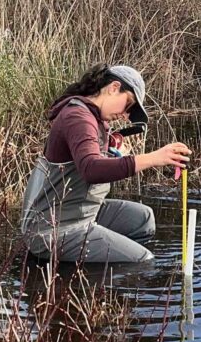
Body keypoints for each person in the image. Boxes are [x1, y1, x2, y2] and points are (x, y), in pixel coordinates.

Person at [19, 64, 191, 265]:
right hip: (54, 229)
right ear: (113, 87)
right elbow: (91, 169)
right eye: (128, 105)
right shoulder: (78, 117)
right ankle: (76, 282)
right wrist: (155, 158)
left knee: (143, 219)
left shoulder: (92, 118)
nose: (126, 115)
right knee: (143, 260)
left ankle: (98, 261)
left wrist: (112, 152)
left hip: (79, 213)